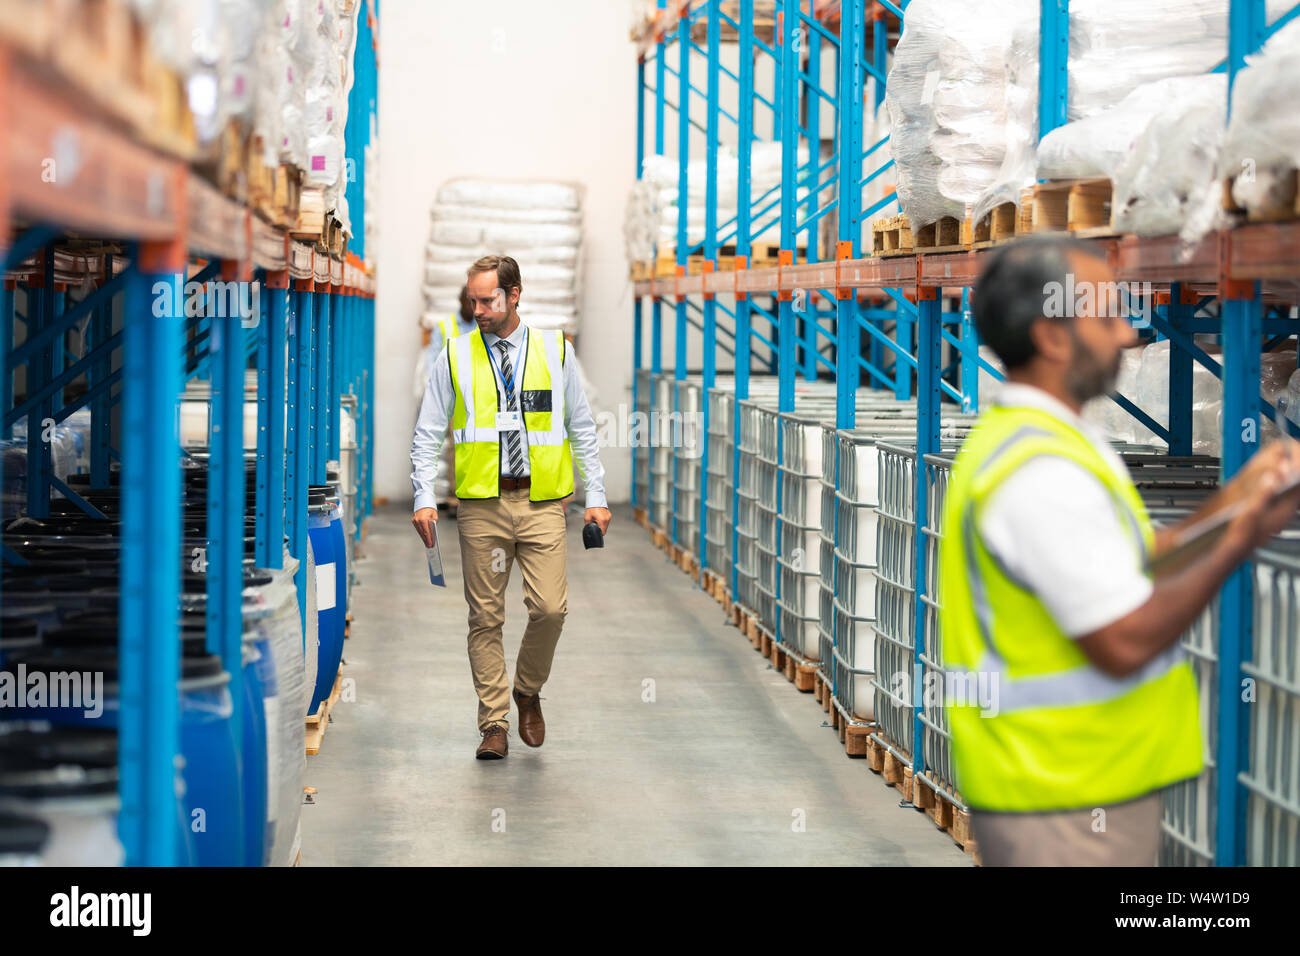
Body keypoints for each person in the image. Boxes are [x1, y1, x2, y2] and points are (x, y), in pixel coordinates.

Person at [939, 236, 1300, 866]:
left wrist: (1234, 504)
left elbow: (1131, 561)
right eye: (1107, 317)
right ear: (1053, 337)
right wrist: (1239, 541)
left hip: (1065, 784)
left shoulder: (1044, 438)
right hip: (1064, 798)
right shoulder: (1042, 469)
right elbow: (1123, 639)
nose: (1127, 337)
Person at [409, 255, 611, 760]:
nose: (477, 309)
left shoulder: (554, 351)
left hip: (543, 501)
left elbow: (582, 428)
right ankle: (493, 723)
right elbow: (428, 431)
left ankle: (527, 688)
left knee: (549, 609)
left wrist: (598, 497)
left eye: (488, 300)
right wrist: (423, 497)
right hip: (481, 504)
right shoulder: (454, 355)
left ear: (514, 294)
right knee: (485, 617)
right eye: (473, 300)